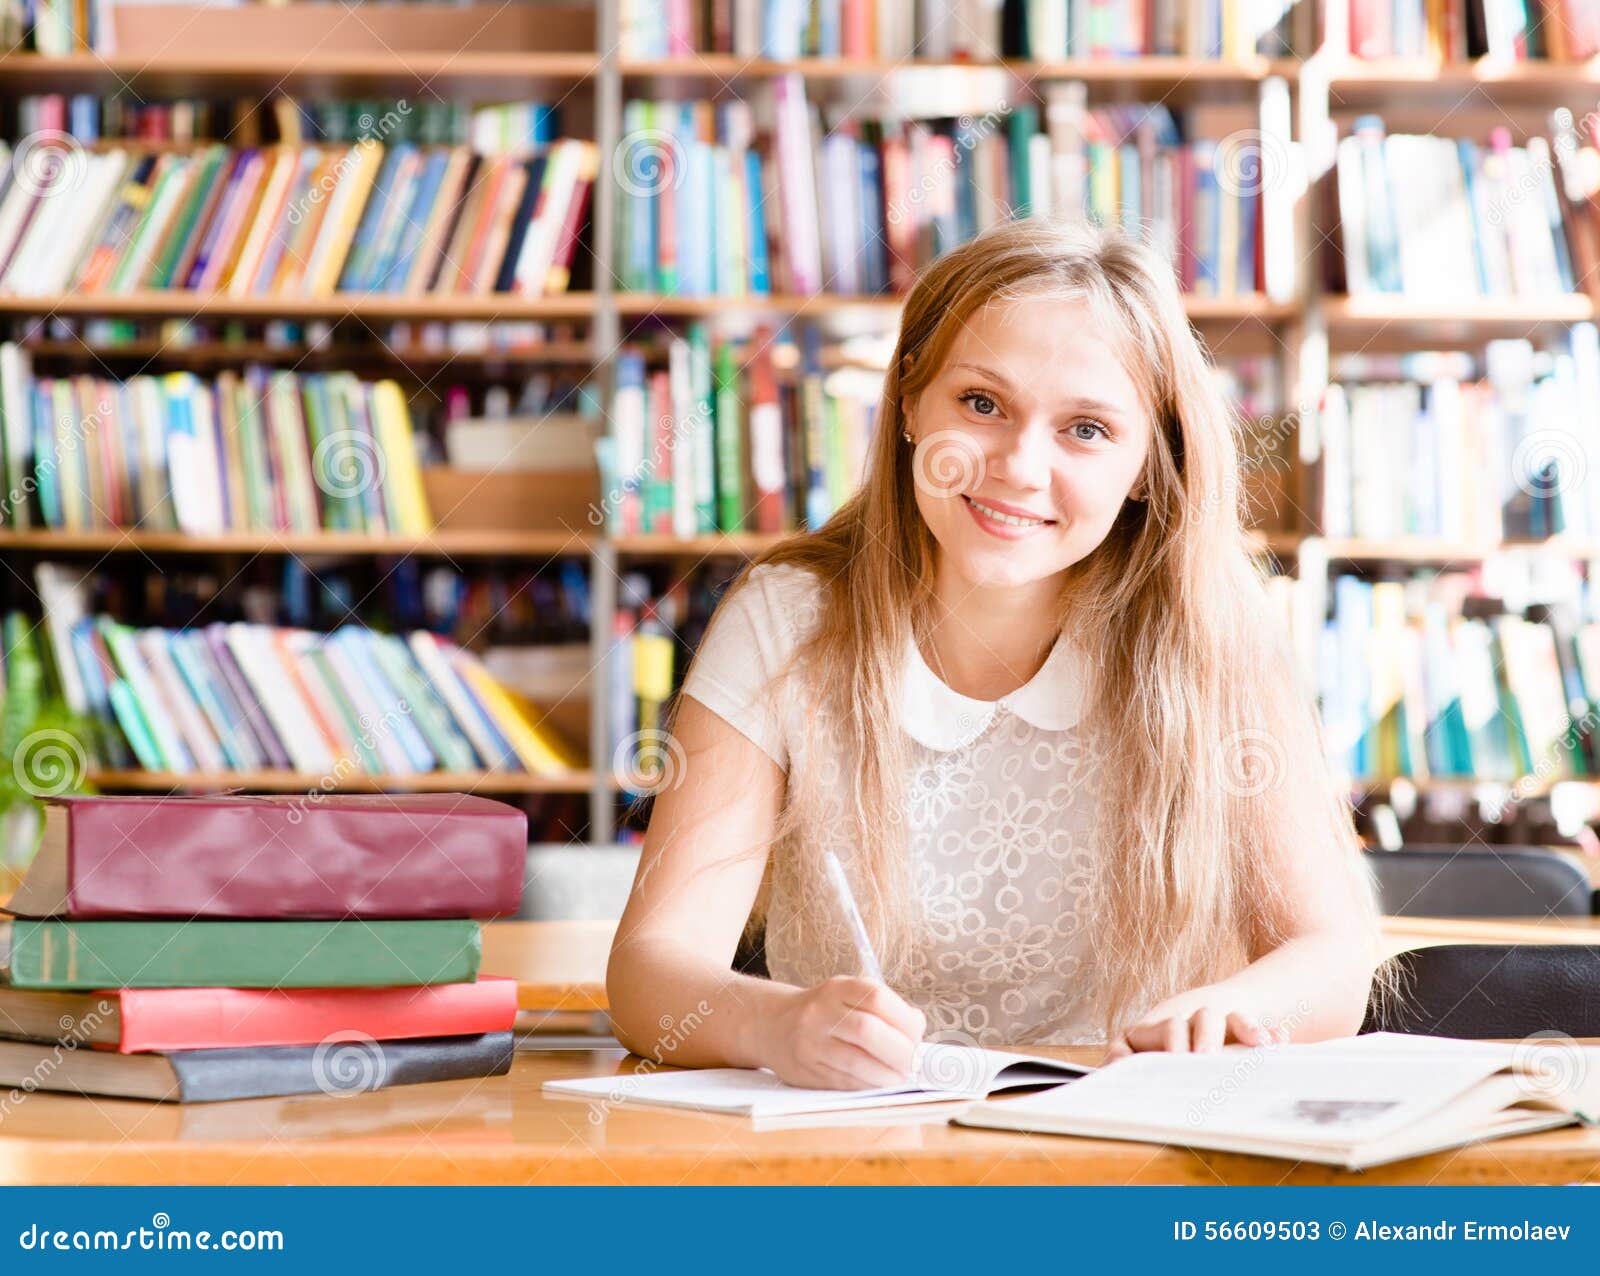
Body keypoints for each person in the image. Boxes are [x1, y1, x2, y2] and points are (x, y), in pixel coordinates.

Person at [606, 216, 1392, 1090]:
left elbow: (1330, 957)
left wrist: (1234, 1015)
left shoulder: (1215, 630)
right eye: (981, 404)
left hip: (1130, 1147)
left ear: (1146, 463)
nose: (1019, 466)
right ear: (909, 402)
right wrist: (776, 1023)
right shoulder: (786, 619)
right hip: (859, 1149)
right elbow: (650, 971)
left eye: (1086, 429)